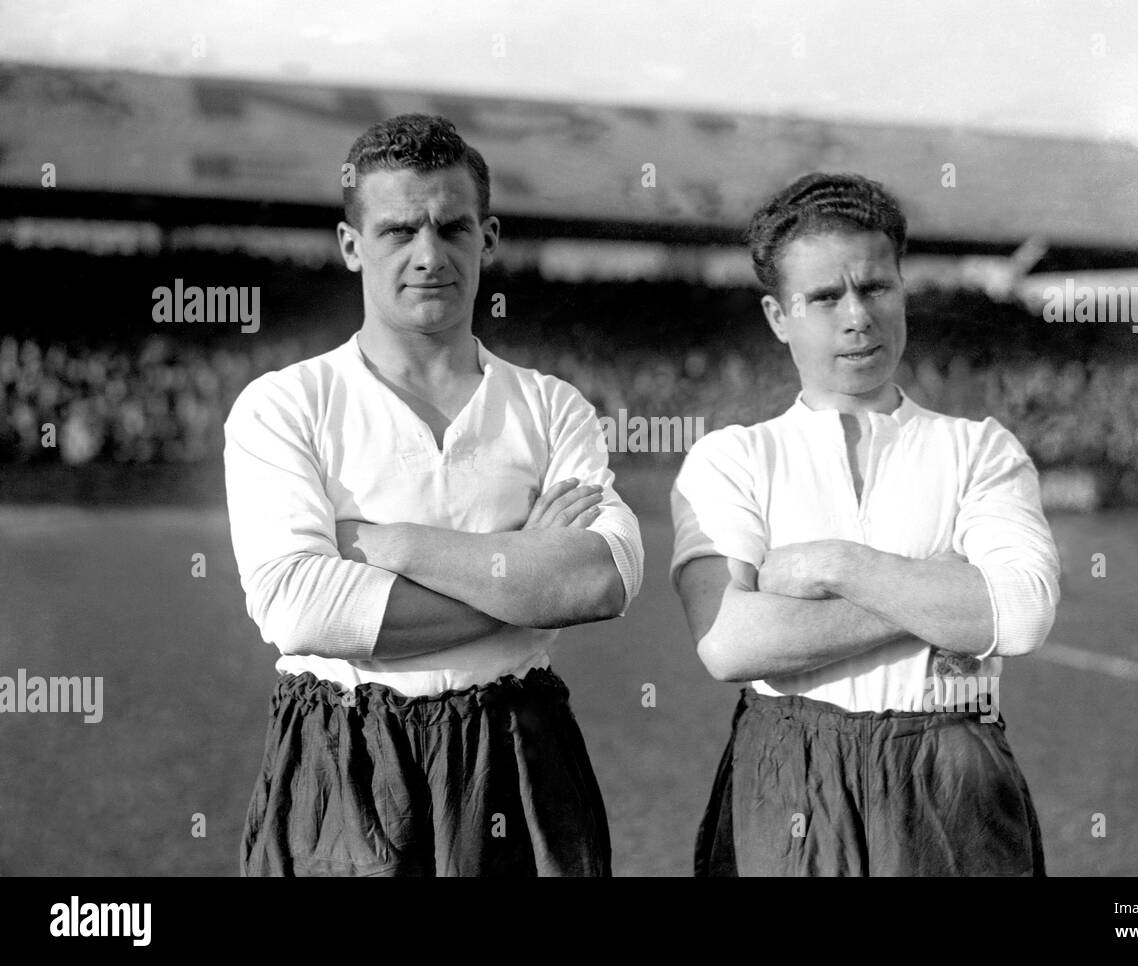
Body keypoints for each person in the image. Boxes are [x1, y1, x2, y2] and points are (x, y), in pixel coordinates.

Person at [224, 114, 643, 876]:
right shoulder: (284, 404)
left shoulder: (552, 407)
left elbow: (600, 579)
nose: (429, 255)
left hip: (516, 744)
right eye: (397, 231)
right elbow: (297, 607)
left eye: (452, 228)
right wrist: (522, 577)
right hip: (344, 746)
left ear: (487, 238)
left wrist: (395, 548)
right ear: (352, 246)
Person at [671, 172, 1059, 876]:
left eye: (876, 287)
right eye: (824, 298)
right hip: (790, 774)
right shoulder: (733, 458)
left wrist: (835, 565)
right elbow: (729, 643)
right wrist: (946, 598)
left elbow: (1023, 613)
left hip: (952, 775)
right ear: (777, 316)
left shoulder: (979, 449)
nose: (858, 316)